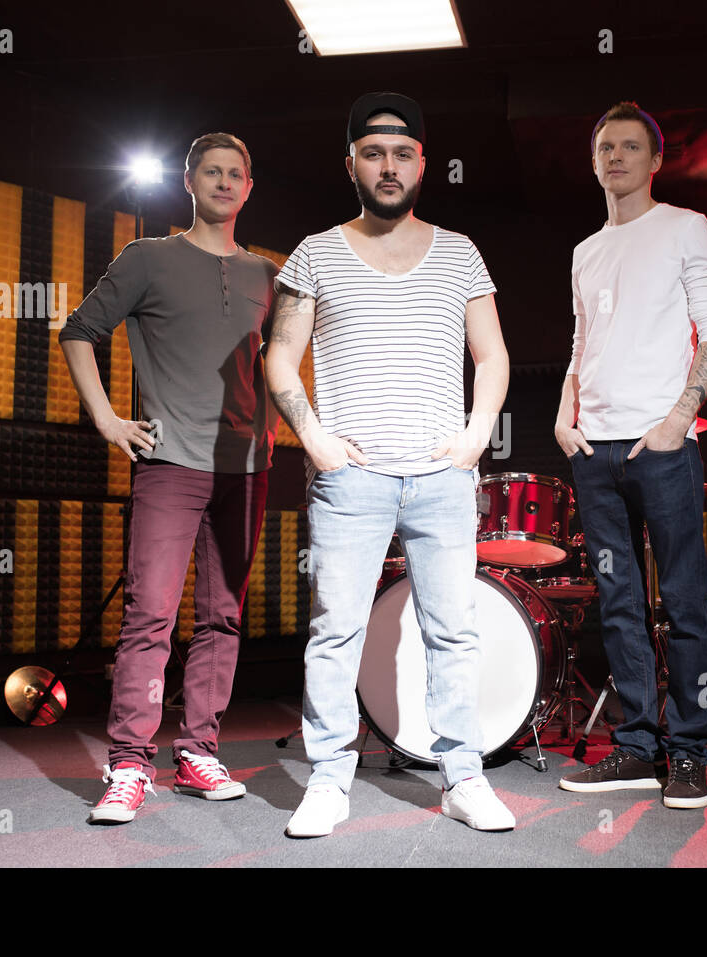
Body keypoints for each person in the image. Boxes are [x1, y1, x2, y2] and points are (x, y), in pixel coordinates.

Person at [264, 92, 515, 837]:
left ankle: (463, 777)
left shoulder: (460, 251)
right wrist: (314, 439)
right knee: (335, 629)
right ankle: (329, 780)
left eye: (403, 153)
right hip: (353, 478)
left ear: (422, 164)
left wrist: (476, 436)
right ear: (351, 164)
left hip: (441, 476)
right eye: (373, 152)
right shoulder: (314, 251)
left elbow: (493, 353)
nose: (389, 165)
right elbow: (279, 353)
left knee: (453, 631)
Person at [59, 133, 277, 824]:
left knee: (223, 617)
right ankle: (128, 763)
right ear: (189, 180)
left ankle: (197, 751)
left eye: (234, 173)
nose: (223, 181)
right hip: (169, 463)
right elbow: (78, 330)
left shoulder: (266, 275)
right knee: (150, 615)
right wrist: (106, 419)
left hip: (247, 468)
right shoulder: (147, 258)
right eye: (210, 170)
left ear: (248, 187)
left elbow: (280, 362)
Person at [555, 102, 707, 809]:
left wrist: (676, 419)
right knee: (620, 604)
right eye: (606, 147)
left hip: (662, 446)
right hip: (593, 449)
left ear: (656, 161)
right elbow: (579, 345)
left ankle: (688, 753)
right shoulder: (585, 250)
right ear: (594, 161)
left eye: (631, 146)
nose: (617, 156)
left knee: (684, 600)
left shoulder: (687, 227)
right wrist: (564, 414)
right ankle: (636, 747)